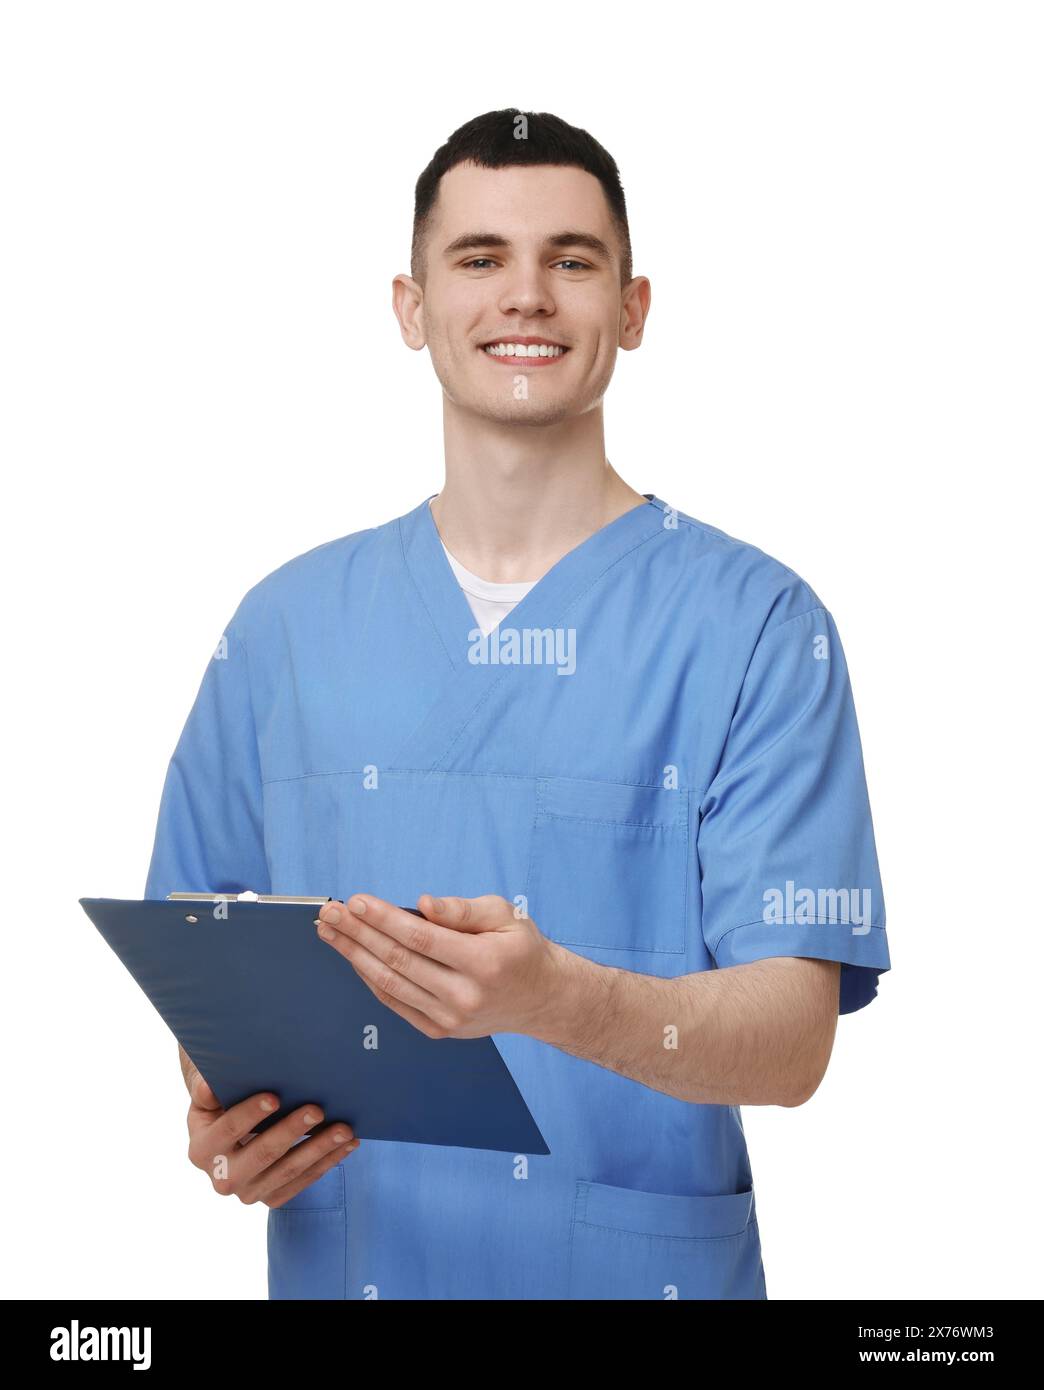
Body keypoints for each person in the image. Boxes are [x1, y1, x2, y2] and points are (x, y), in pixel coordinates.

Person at [145, 109, 890, 1300]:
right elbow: (198, 951)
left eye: (573, 260)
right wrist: (220, 1100)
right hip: (354, 1266)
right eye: (481, 258)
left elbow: (796, 1040)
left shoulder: (757, 628)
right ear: (410, 305)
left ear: (634, 309)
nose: (526, 296)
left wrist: (560, 1001)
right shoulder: (282, 630)